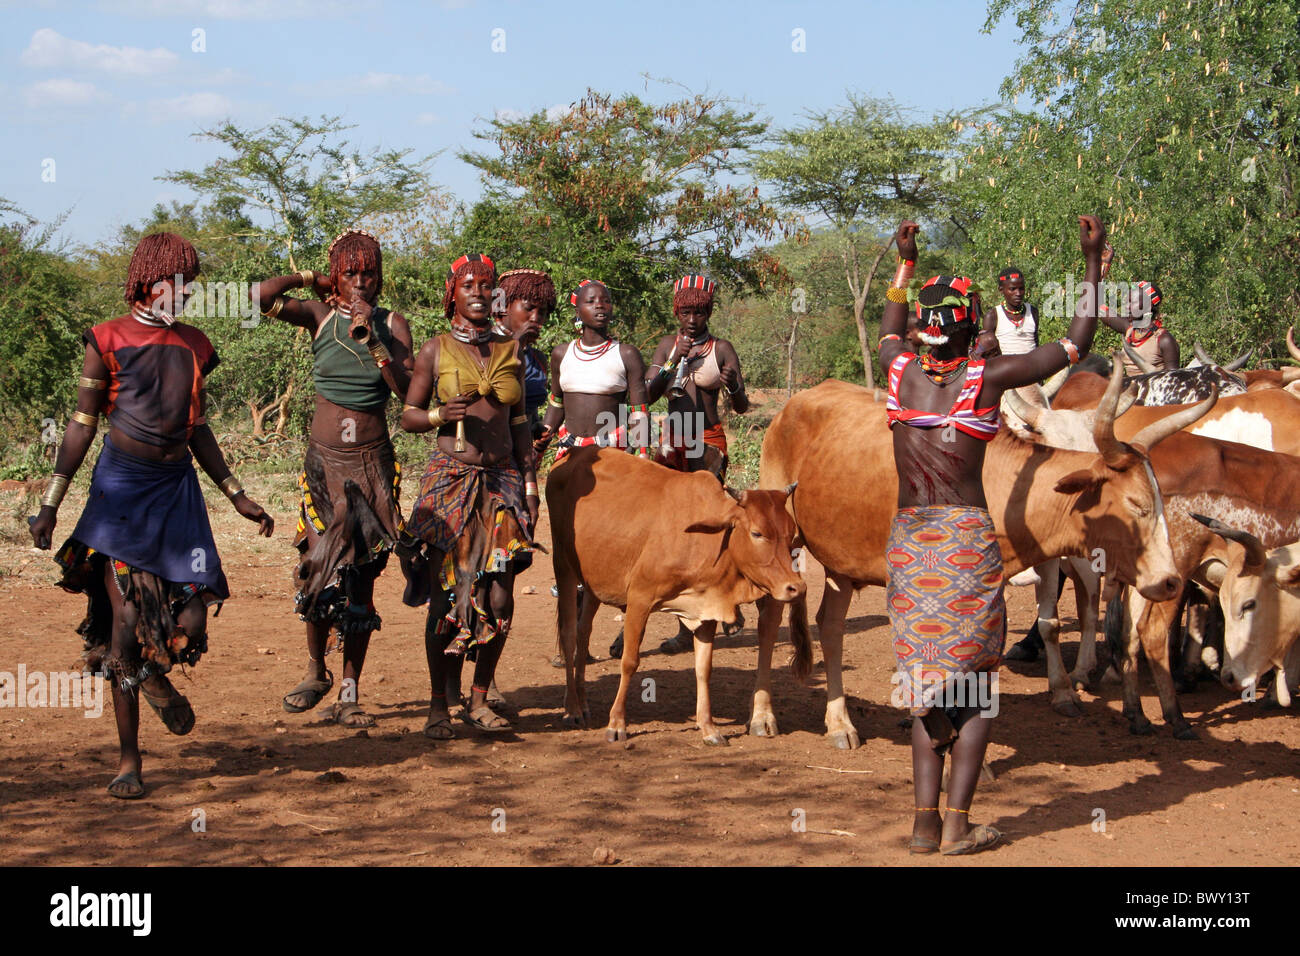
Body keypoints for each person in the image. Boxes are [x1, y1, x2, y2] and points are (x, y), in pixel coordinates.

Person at [878, 214, 1106, 855]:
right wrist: (1091, 264)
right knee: (975, 686)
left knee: (926, 688)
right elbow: (1073, 345)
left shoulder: (898, 372)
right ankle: (957, 824)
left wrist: (906, 260)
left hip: (910, 541)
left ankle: (923, 825)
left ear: (925, 329)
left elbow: (891, 326)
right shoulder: (987, 380)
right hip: (966, 547)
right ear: (970, 324)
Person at [29, 232, 274, 799]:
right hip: (120, 495)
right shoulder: (108, 338)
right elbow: (82, 424)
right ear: (147, 280)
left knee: (190, 623)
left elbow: (199, 428)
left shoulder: (196, 343)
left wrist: (236, 493)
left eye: (192, 283)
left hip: (177, 495)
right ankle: (129, 759)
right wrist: (51, 502)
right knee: (125, 625)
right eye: (176, 282)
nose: (186, 292)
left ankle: (154, 675)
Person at [251, 230, 415, 729]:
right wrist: (310, 278)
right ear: (337, 277)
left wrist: (379, 341)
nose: (360, 281)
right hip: (324, 468)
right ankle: (315, 670)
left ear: (379, 276)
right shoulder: (319, 317)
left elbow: (410, 393)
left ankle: (350, 692)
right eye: (350, 273)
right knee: (318, 569)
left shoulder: (394, 324)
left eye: (368, 273)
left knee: (363, 579)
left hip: (372, 468)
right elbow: (258, 298)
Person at [402, 253, 539, 739]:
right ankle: (439, 705)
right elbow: (408, 416)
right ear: (452, 294)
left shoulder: (509, 348)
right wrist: (441, 415)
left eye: (486, 286)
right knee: (449, 598)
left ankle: (480, 699)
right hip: (453, 482)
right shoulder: (434, 351)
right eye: (468, 286)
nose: (479, 293)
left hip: (501, 484)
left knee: (499, 596)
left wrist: (529, 484)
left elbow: (519, 423)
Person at [626, 274, 750, 656]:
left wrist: (733, 387)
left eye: (698, 312)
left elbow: (743, 407)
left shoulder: (722, 349)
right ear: (677, 312)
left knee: (713, 526)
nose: (692, 319)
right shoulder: (667, 345)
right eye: (686, 312)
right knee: (675, 528)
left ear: (707, 311)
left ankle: (726, 603)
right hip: (674, 439)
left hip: (708, 440)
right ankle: (686, 625)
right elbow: (645, 395)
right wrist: (673, 360)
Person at [535, 280, 650, 463]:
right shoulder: (561, 354)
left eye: (605, 301)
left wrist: (643, 453)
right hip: (569, 449)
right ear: (577, 311)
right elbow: (557, 403)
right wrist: (543, 437)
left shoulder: (627, 354)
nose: (599, 305)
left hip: (612, 451)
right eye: (591, 301)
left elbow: (639, 411)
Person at [979, 266, 1039, 358]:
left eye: (1021, 288)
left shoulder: (1032, 312)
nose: (1018, 293)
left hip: (1032, 367)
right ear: (1001, 290)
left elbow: (1035, 343)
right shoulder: (993, 316)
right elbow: (988, 349)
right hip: (1005, 369)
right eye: (1012, 289)